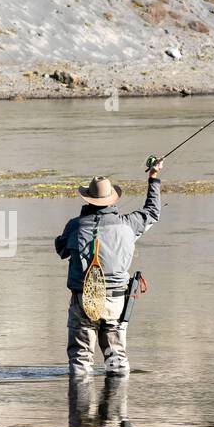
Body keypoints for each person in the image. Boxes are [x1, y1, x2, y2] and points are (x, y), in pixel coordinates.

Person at [54, 160, 162, 375]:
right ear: (112, 199)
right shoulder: (129, 224)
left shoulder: (75, 225)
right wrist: (153, 177)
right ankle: (116, 403)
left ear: (88, 199)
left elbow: (61, 249)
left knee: (80, 359)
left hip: (84, 300)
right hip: (116, 301)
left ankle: (80, 405)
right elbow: (153, 211)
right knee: (117, 361)